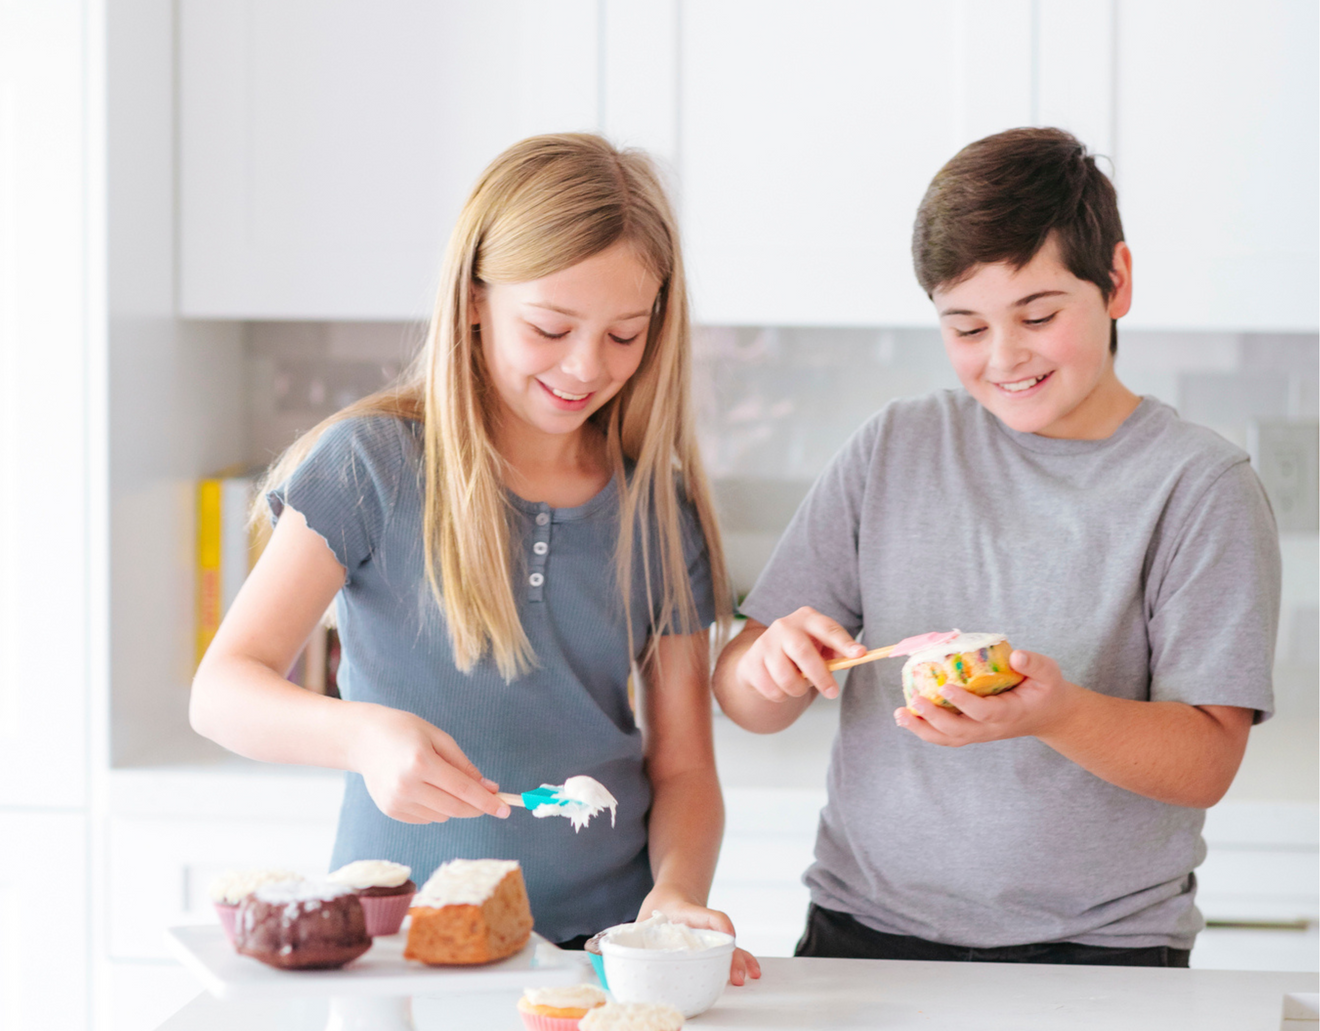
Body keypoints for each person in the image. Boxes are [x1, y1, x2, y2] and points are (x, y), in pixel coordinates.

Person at [191, 134, 759, 982]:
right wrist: (365, 737)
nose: (585, 366)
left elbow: (683, 768)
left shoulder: (656, 512)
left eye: (624, 335)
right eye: (551, 327)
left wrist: (675, 894)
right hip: (398, 948)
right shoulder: (369, 468)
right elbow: (223, 690)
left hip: (598, 955)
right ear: (474, 301)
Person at [713, 127, 1280, 968]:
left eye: (1039, 315)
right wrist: (766, 668)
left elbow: (1206, 763)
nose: (1005, 357)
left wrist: (1059, 712)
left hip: (1099, 952)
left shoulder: (1199, 487)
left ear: (1116, 282)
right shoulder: (895, 447)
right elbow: (742, 694)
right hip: (862, 933)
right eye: (966, 327)